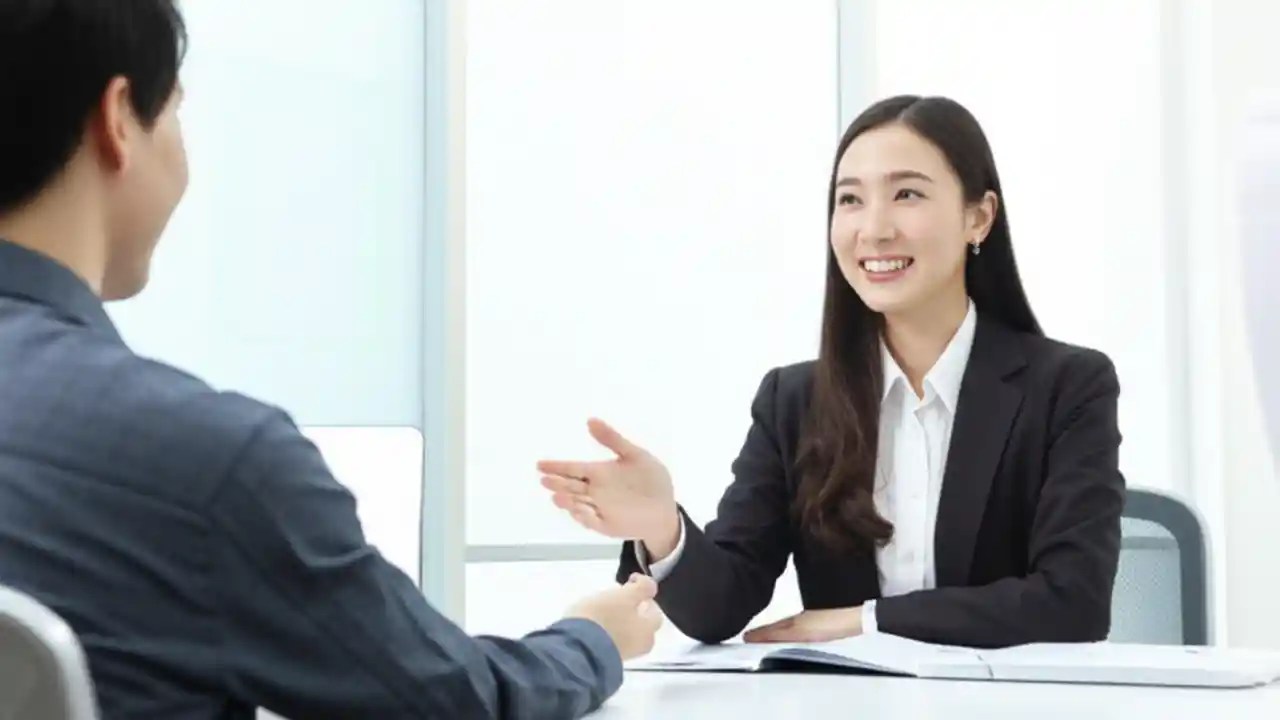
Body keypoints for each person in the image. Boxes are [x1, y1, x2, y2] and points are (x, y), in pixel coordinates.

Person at [0, 2, 660, 718]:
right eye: (178, 113)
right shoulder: (201, 467)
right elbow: (456, 703)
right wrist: (594, 637)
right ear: (120, 117)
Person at [540, 95, 1126, 650]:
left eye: (907, 195)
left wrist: (865, 621)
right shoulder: (794, 402)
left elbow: (1073, 603)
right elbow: (722, 607)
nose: (873, 229)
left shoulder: (1068, 388)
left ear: (979, 217)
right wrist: (662, 527)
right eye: (850, 200)